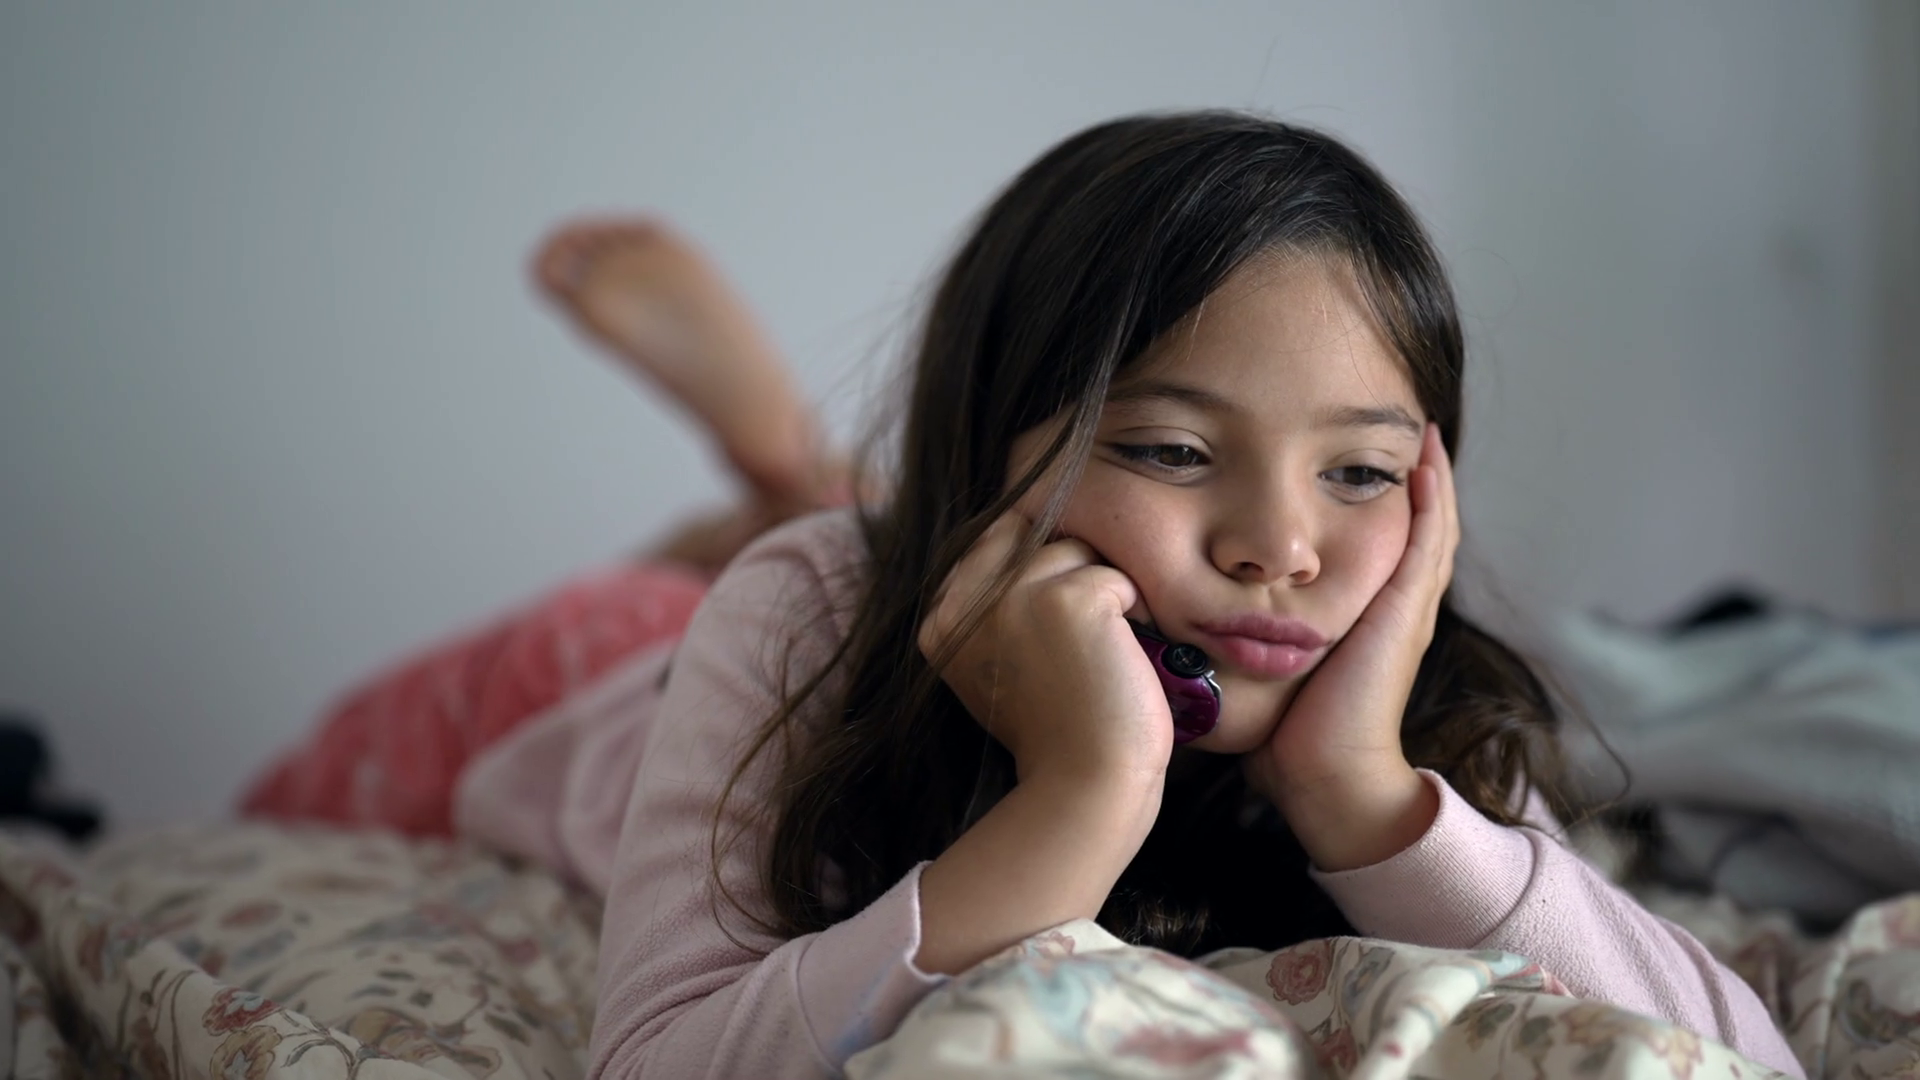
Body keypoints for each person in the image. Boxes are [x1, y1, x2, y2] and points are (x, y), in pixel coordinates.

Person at [249, 112, 1805, 1078]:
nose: (1284, 549)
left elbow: (1744, 1063)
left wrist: (1363, 794)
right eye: (1177, 448)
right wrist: (1082, 798)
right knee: (376, 751)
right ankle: (793, 482)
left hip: (916, 551)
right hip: (614, 683)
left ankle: (805, 470)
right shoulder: (801, 620)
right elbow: (663, 1062)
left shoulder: (1398, 682)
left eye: (1358, 472)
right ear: (997, 450)